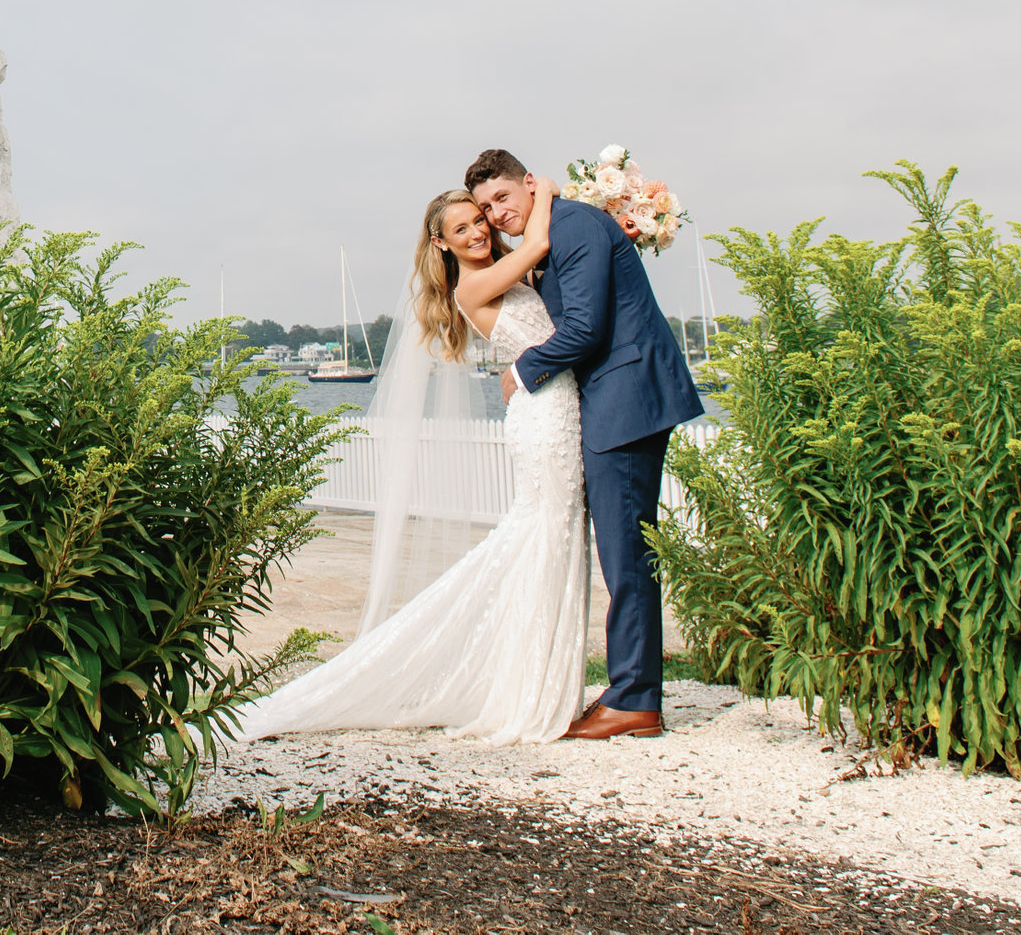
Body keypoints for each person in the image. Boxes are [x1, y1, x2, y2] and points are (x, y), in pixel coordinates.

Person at [232, 181, 591, 744]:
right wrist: (543, 188)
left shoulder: (507, 272)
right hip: (542, 417)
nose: (477, 232)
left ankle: (539, 681)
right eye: (462, 229)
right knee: (543, 533)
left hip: (558, 407)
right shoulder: (474, 287)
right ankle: (522, 689)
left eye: (479, 221)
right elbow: (540, 238)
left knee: (555, 536)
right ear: (442, 244)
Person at [467, 146, 704, 742]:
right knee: (622, 550)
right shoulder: (554, 227)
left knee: (625, 554)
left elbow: (585, 328)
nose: (495, 215)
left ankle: (633, 700)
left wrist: (521, 372)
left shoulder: (573, 227)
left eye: (502, 198)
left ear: (527, 184)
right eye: (484, 207)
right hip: (611, 398)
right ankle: (631, 687)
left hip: (627, 397)